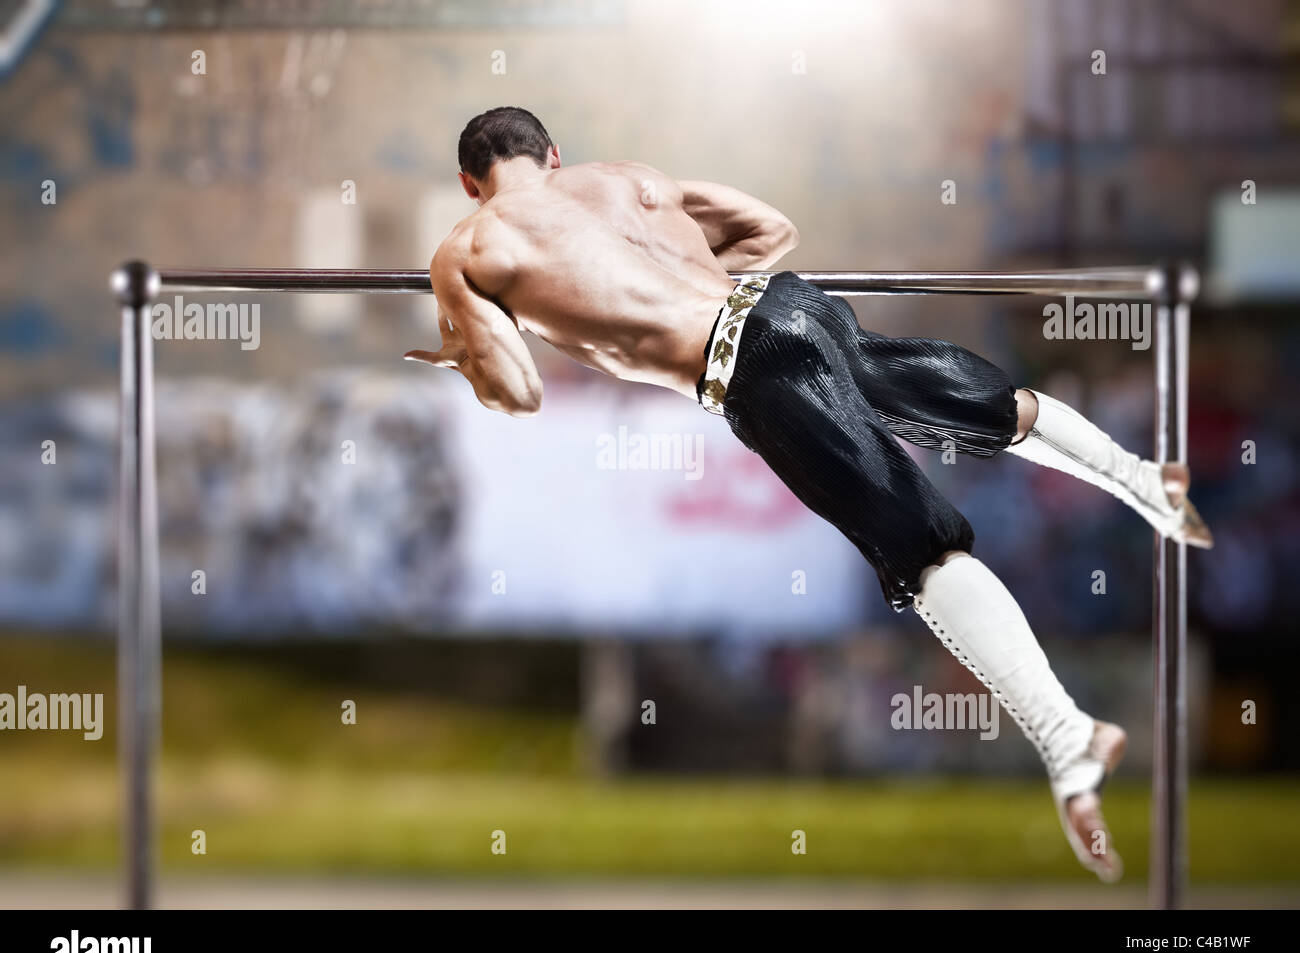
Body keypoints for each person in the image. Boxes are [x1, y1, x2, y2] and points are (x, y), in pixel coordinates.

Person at [406, 106, 1213, 882]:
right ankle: (1141, 477)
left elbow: (518, 394)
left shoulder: (470, 247)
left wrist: (468, 353)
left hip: (752, 369)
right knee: (982, 409)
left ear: (470, 182)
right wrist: (683, 286)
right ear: (551, 157)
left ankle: (1066, 734)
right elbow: (773, 231)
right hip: (792, 307)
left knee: (918, 550)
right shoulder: (628, 178)